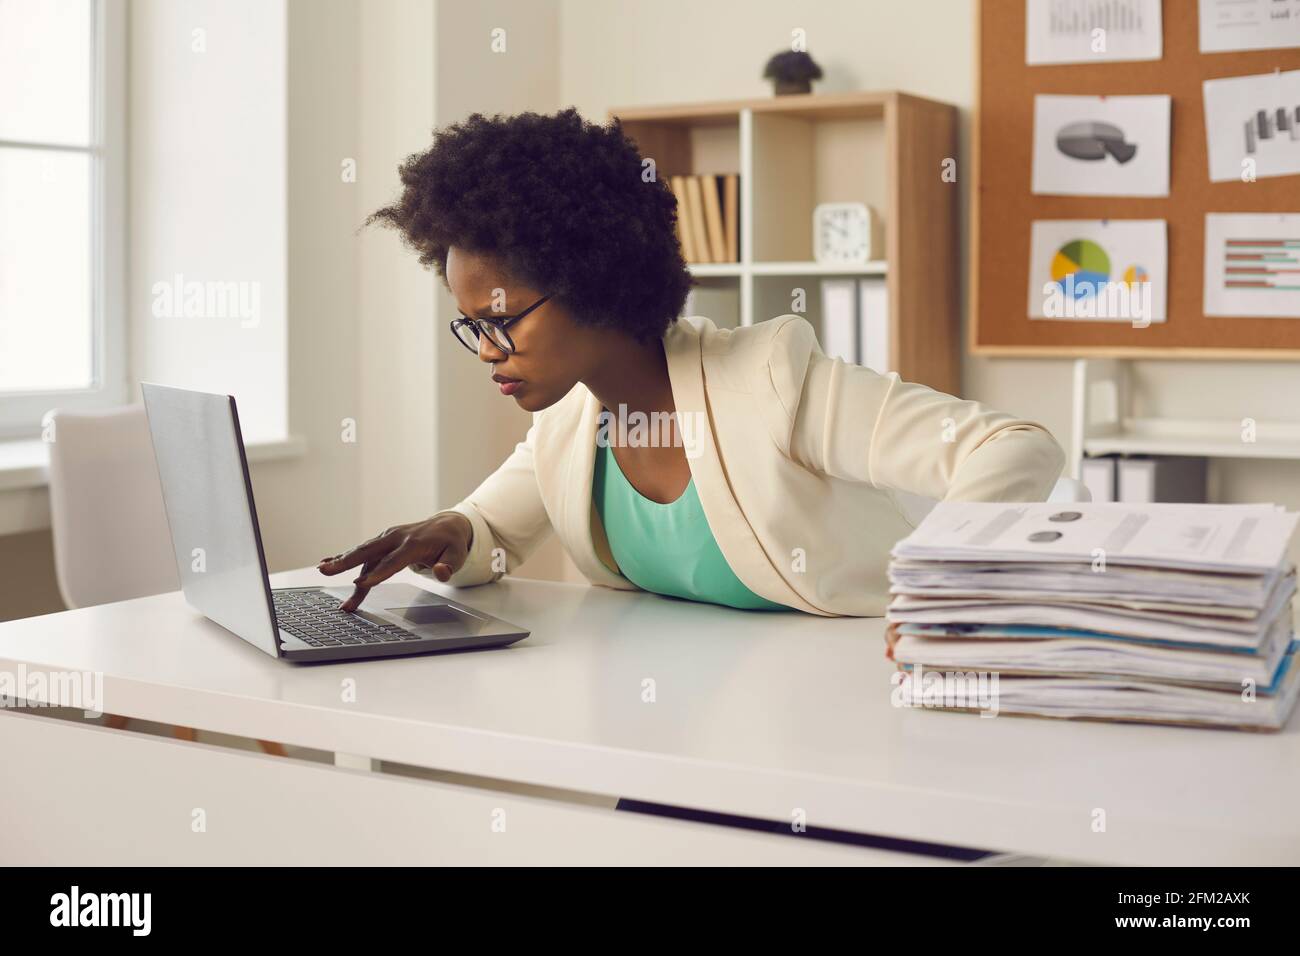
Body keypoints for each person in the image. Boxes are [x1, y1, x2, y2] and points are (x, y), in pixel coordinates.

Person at [318, 108, 1065, 617]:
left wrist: (943, 595)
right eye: (472, 326)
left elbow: (1015, 447)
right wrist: (451, 532)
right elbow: (490, 530)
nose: (487, 351)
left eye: (502, 321)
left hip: (848, 728)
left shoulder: (772, 381)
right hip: (681, 733)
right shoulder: (574, 422)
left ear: (589, 278)